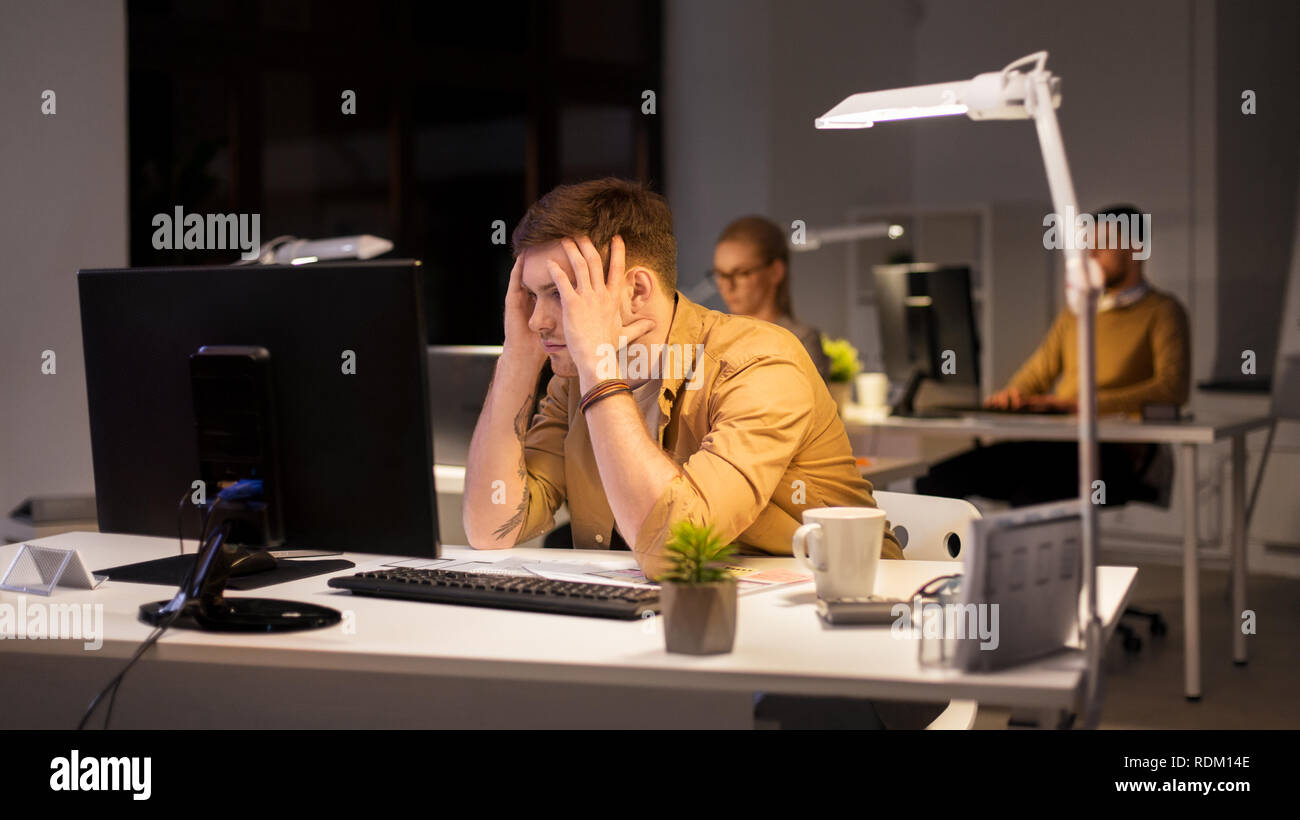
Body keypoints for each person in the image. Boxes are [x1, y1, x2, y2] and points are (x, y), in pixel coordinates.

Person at [462, 179, 901, 579]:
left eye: (560, 293)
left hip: (834, 611)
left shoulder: (758, 362)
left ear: (636, 291)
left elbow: (675, 550)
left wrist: (599, 367)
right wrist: (518, 360)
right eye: (531, 296)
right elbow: (491, 527)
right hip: (681, 613)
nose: (537, 320)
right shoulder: (573, 379)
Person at [917, 204, 1191, 507]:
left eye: (1103, 245)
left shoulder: (1163, 312)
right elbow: (1038, 371)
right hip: (1059, 440)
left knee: (1031, 499)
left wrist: (1078, 405)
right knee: (935, 479)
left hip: (1115, 451)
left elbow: (1171, 388)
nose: (1092, 255)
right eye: (1089, 246)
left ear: (1136, 249)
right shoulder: (1076, 314)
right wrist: (1014, 396)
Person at [712, 216, 832, 381]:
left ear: (775, 272)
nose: (728, 286)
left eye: (741, 273)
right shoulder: (716, 342)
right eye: (720, 275)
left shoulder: (799, 341)